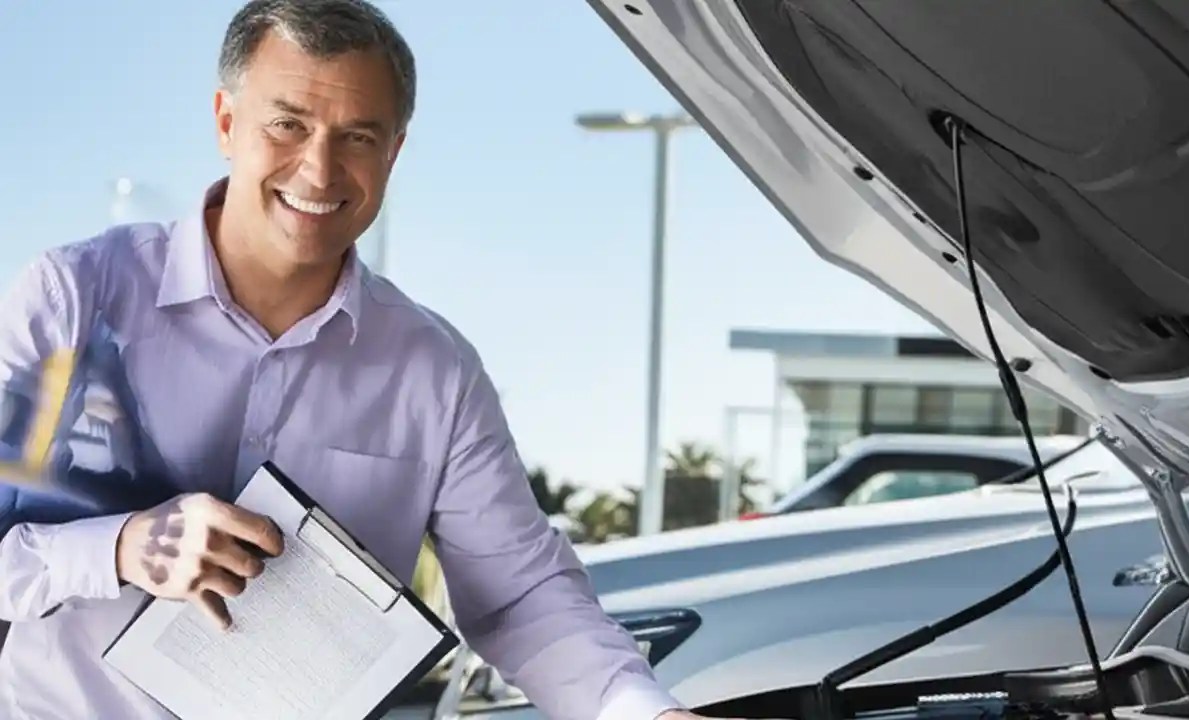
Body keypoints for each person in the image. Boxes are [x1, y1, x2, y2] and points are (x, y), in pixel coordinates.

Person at [0, 2, 721, 719]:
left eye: (357, 137)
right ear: (226, 122)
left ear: (393, 152)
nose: (318, 169)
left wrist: (647, 712)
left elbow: (523, 599)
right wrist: (125, 547)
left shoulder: (434, 374)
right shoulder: (74, 299)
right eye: (288, 125)